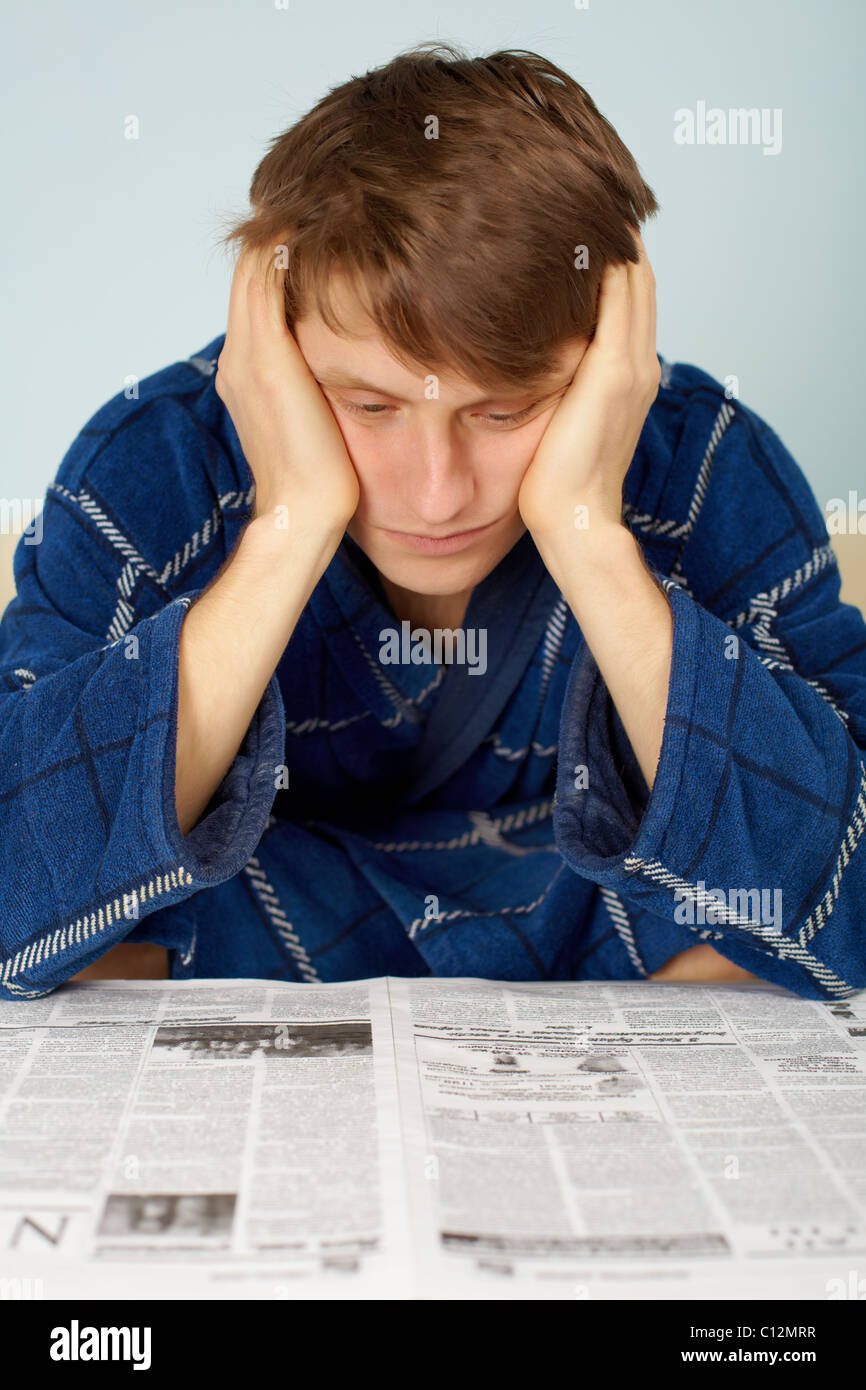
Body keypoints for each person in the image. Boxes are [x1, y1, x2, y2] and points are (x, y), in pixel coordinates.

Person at [1, 44, 864, 1003]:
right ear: (273, 348)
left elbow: (854, 892)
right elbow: (12, 893)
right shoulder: (154, 461)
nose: (438, 494)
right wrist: (290, 524)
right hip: (544, 934)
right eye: (368, 408)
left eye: (504, 412)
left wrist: (588, 534)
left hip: (367, 927)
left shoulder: (704, 465)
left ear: (609, 353)